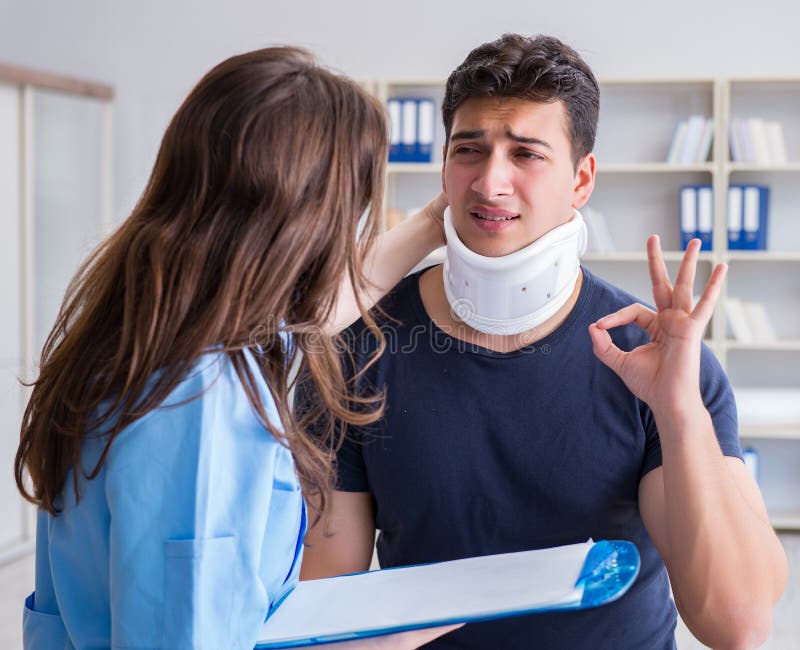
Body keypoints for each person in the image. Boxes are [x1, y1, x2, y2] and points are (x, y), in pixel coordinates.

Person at [299, 34, 788, 649]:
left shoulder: (659, 362)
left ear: (582, 180)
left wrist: (679, 409)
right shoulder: (358, 349)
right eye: (468, 152)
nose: (490, 182)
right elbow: (321, 612)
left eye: (526, 154)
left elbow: (736, 625)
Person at [15, 46, 459, 649]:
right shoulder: (200, 396)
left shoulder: (146, 327)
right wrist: (388, 641)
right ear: (299, 218)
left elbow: (324, 311)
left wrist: (439, 219)